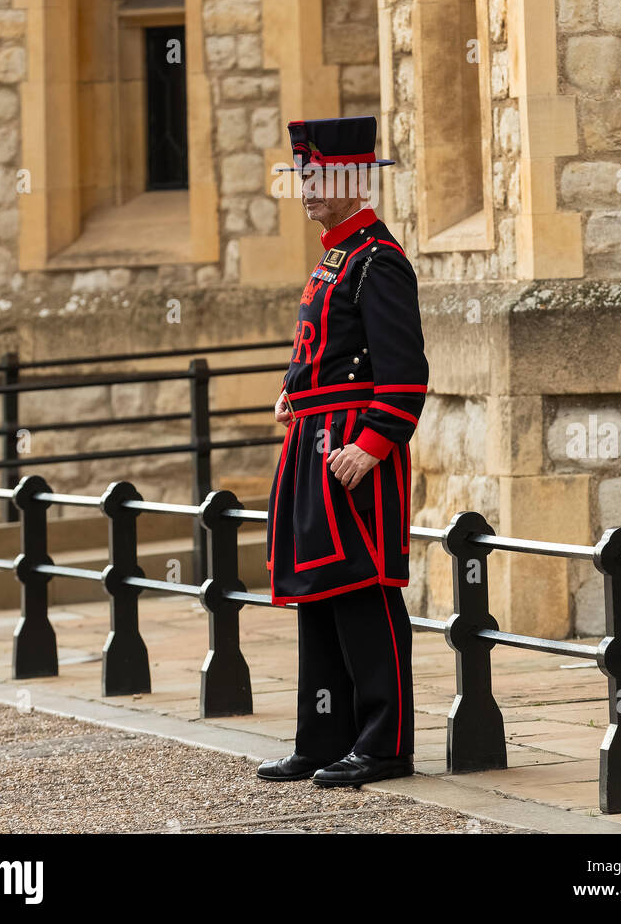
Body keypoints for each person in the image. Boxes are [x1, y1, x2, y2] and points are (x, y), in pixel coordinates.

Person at [257, 116, 429, 788]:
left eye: (321, 176)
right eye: (304, 175)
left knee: (364, 592)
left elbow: (404, 370)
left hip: (354, 452)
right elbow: (325, 350)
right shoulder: (337, 255)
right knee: (321, 595)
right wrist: (292, 392)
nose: (307, 188)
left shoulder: (379, 261)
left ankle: (384, 745)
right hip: (314, 442)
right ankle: (322, 738)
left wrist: (373, 444)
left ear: (356, 182)